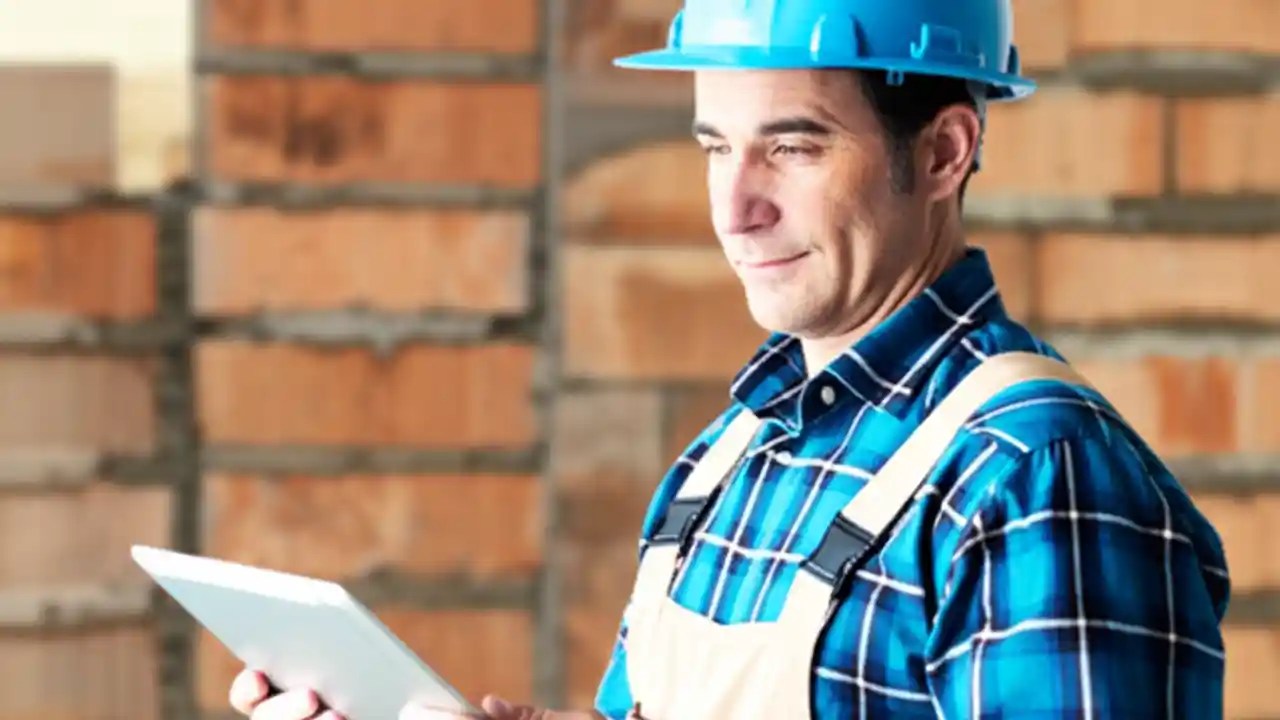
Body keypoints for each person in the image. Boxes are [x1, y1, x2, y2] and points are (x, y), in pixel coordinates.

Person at [230, 0, 1232, 718]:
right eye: (716, 146)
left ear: (940, 153)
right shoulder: (729, 459)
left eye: (791, 148)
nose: (733, 208)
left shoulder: (1033, 478)